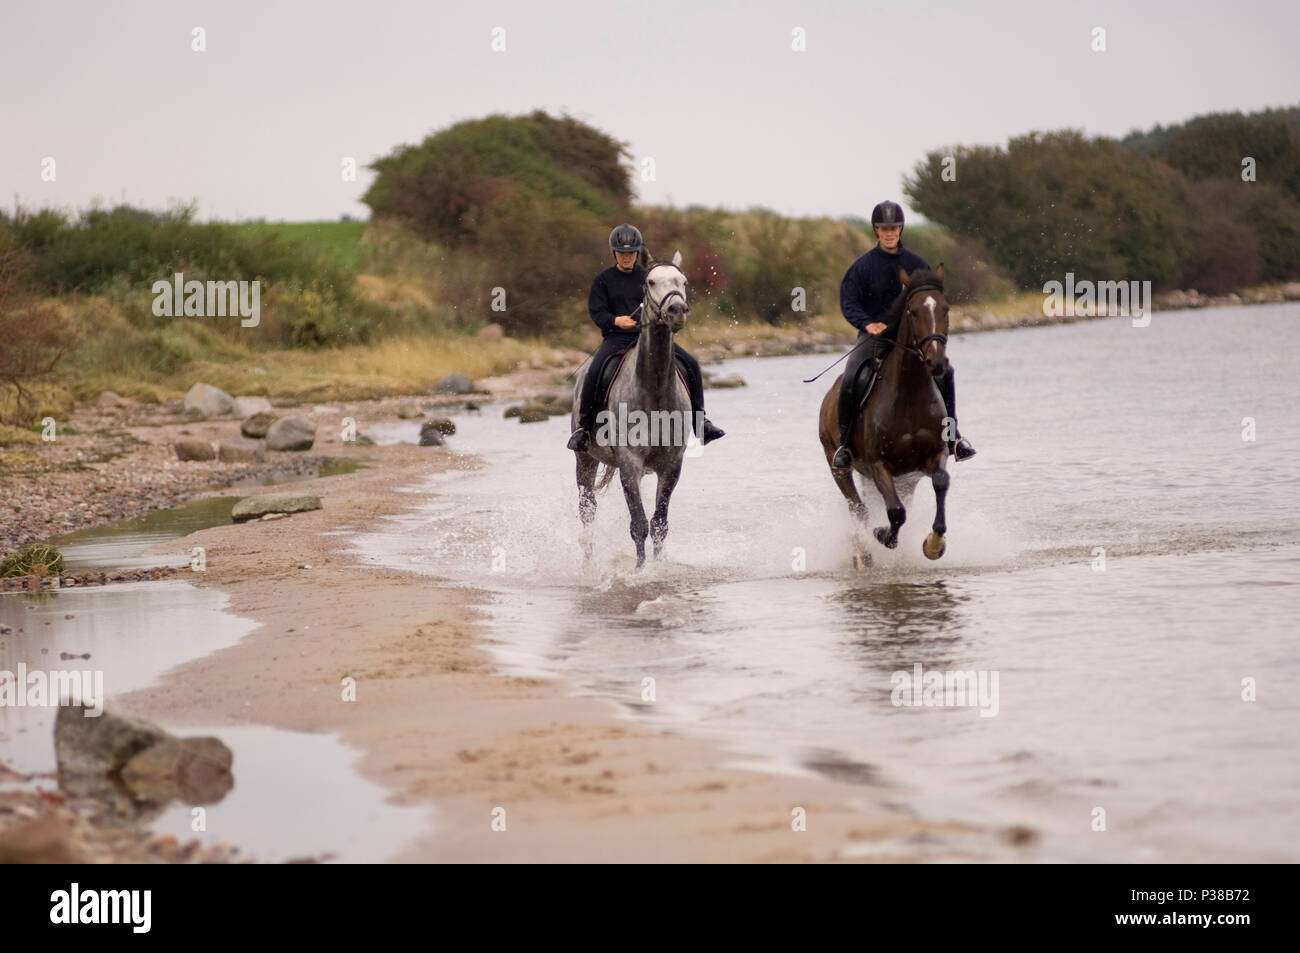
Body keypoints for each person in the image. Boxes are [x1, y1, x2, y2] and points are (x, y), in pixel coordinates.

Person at [830, 201, 976, 469]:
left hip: (912, 339)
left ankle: (953, 437)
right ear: (876, 230)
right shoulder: (862, 267)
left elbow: (930, 299)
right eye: (884, 228)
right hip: (875, 337)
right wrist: (866, 323)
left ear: (901, 229)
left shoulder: (916, 264)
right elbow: (848, 302)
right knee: (851, 377)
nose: (889, 233)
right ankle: (845, 445)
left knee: (946, 373)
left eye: (894, 228)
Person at [567, 224, 724, 452]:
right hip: (617, 339)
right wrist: (615, 320)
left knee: (691, 364)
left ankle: (701, 423)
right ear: (614, 253)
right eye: (622, 253)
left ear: (637, 253)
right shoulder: (603, 280)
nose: (627, 257)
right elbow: (596, 312)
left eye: (631, 253)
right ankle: (584, 428)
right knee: (594, 371)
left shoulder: (649, 277)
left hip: (650, 338)